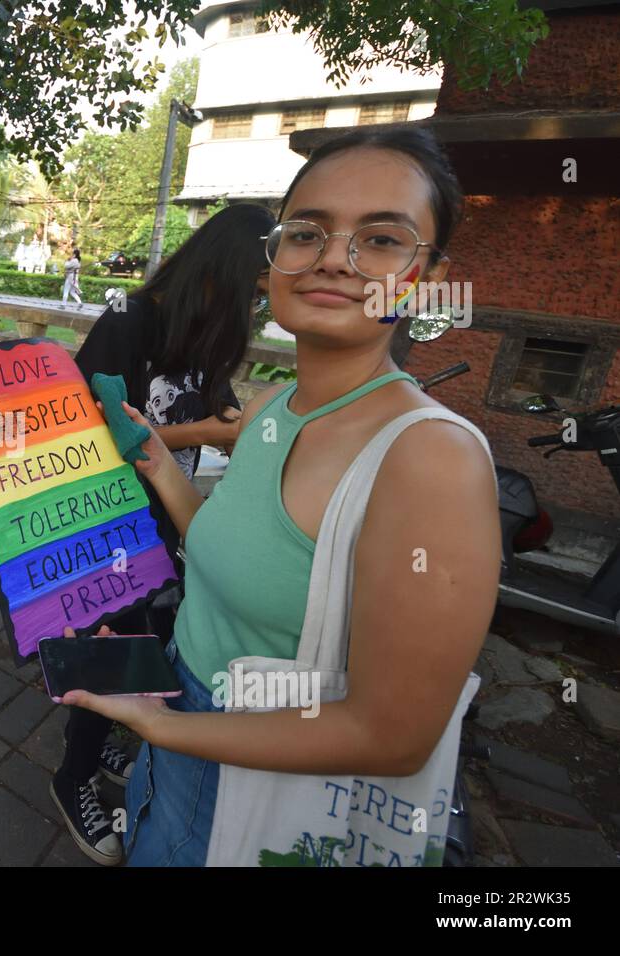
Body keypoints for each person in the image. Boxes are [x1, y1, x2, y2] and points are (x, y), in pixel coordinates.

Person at [64, 127, 501, 866]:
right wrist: (160, 464)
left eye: (383, 239)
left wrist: (165, 726)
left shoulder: (430, 458)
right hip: (175, 742)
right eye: (307, 231)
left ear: (426, 279)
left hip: (259, 790)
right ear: (273, 260)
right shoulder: (273, 406)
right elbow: (234, 544)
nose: (334, 257)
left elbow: (392, 736)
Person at [50, 204, 275, 865]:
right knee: (112, 644)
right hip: (105, 520)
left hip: (165, 519)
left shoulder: (204, 332)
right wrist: (204, 434)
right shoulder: (133, 320)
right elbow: (85, 430)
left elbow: (214, 404)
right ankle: (73, 777)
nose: (257, 307)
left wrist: (239, 417)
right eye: (256, 291)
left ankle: (112, 733)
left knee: (150, 638)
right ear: (225, 272)